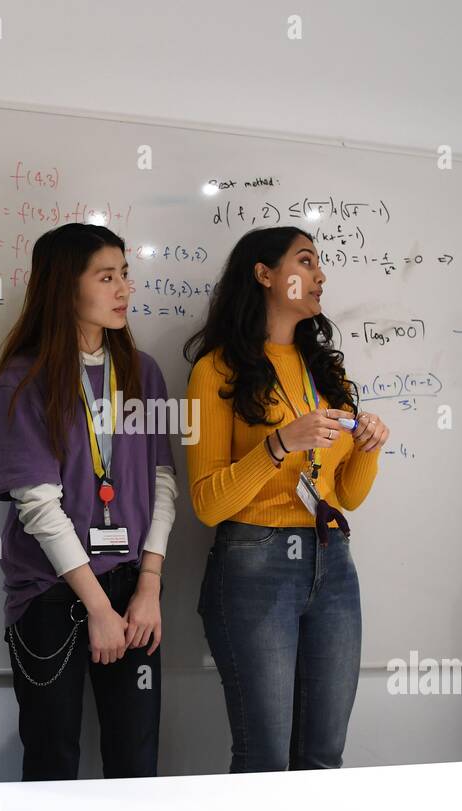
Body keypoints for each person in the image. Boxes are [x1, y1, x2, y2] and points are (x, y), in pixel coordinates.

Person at [184, 226, 388, 773]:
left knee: (323, 756)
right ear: (264, 274)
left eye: (319, 264)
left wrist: (369, 449)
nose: (321, 275)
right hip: (255, 563)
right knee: (265, 759)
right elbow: (206, 504)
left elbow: (347, 494)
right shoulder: (215, 371)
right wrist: (277, 445)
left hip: (333, 560)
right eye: (306, 261)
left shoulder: (327, 371)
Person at [0, 223, 177, 780]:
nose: (124, 289)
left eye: (125, 275)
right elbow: (38, 505)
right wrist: (96, 609)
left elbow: (162, 482)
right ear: (65, 286)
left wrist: (149, 587)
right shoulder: (26, 378)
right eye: (106, 277)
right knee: (52, 763)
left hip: (133, 590)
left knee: (135, 763)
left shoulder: (142, 372)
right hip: (51, 594)